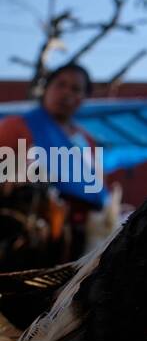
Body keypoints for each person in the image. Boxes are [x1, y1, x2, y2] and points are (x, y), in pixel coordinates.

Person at [0, 63, 107, 270]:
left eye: (76, 89)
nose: (66, 93)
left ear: (84, 98)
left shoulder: (87, 141)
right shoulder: (18, 126)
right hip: (27, 242)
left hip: (79, 244)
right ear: (46, 89)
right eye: (60, 85)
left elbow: (100, 189)